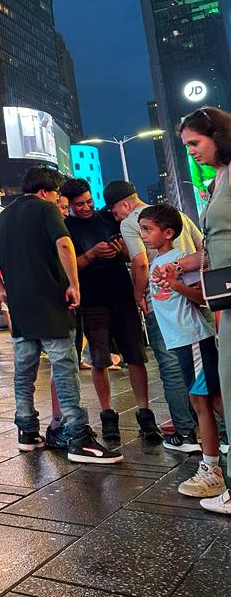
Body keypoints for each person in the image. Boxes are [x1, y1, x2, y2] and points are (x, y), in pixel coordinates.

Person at [0, 167, 122, 464]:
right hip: (51, 303)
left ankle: (27, 432)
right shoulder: (45, 209)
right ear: (46, 191)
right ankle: (78, 437)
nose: (61, 202)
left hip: (21, 306)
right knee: (64, 367)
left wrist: (2, 288)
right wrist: (74, 284)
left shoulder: (4, 215)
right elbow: (64, 243)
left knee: (25, 371)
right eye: (58, 195)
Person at [61, 177, 161, 446]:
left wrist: (119, 252)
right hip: (92, 301)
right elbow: (69, 266)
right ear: (68, 205)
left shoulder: (110, 219)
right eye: (79, 204)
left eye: (89, 201)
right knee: (99, 359)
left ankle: (145, 413)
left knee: (136, 356)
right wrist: (92, 254)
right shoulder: (66, 227)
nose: (86, 207)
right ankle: (107, 415)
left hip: (123, 296)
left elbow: (133, 254)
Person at [105, 180, 202, 453]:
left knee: (170, 365)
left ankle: (185, 431)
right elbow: (200, 246)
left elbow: (140, 261)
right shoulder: (173, 213)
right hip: (192, 293)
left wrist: (138, 293)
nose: (116, 218)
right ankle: (209, 425)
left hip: (161, 302)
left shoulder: (132, 221)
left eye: (115, 211)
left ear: (125, 204)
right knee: (198, 362)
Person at [138, 204, 225, 498]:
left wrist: (176, 283)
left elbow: (202, 297)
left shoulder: (178, 261)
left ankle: (212, 470)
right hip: (182, 342)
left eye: (149, 229)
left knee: (207, 403)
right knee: (208, 402)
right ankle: (212, 468)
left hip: (194, 339)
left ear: (168, 233)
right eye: (143, 230)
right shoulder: (156, 262)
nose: (144, 235)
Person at [174, 107, 231, 515]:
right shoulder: (219, 180)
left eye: (195, 142)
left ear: (217, 134)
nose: (191, 152)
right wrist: (182, 266)